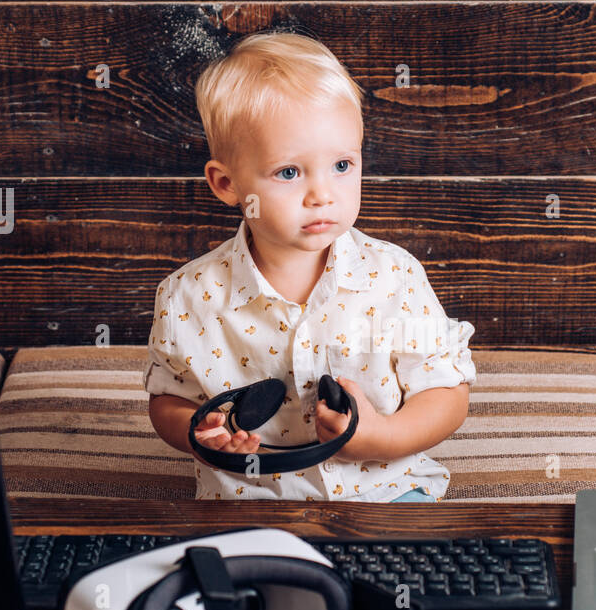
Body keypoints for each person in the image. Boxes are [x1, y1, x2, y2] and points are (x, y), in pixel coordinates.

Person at [145, 32, 476, 502]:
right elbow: (169, 398)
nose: (323, 193)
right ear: (226, 183)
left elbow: (446, 391)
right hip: (248, 505)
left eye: (342, 165)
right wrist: (197, 434)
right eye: (289, 172)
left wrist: (383, 437)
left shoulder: (395, 278)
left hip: (386, 494)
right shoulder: (188, 296)